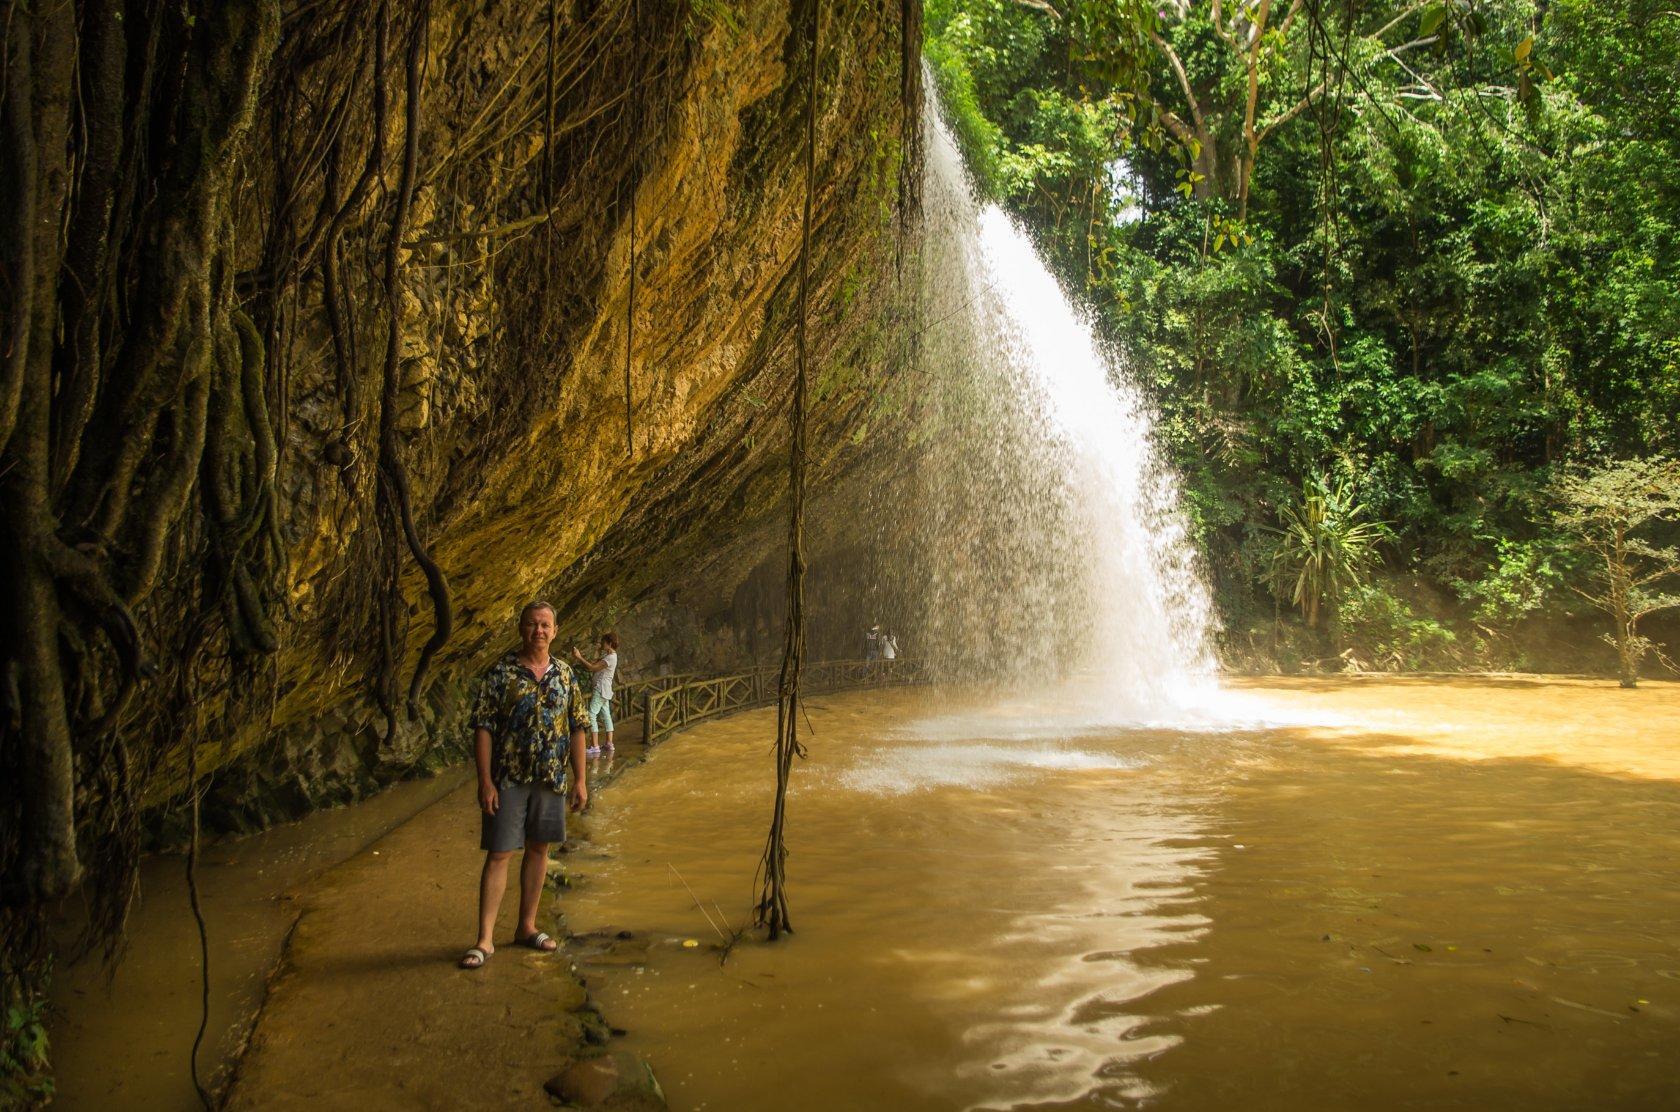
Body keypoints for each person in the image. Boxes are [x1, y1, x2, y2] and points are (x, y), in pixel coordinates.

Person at [459, 602, 588, 970]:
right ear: (521, 629)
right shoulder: (500, 673)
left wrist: (580, 780)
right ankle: (484, 939)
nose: (539, 631)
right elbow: (483, 728)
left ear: (556, 630)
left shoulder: (565, 675)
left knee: (538, 850)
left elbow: (578, 727)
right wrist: (485, 781)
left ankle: (526, 927)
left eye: (545, 625)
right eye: (532, 624)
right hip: (509, 778)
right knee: (499, 853)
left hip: (551, 779)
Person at [572, 632, 619, 757]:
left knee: (591, 714)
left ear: (609, 643)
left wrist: (579, 657)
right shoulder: (610, 656)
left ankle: (595, 746)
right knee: (606, 715)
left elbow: (592, 668)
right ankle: (609, 743)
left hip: (601, 689)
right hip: (606, 690)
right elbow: (595, 663)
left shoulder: (610, 658)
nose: (601, 644)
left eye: (603, 642)